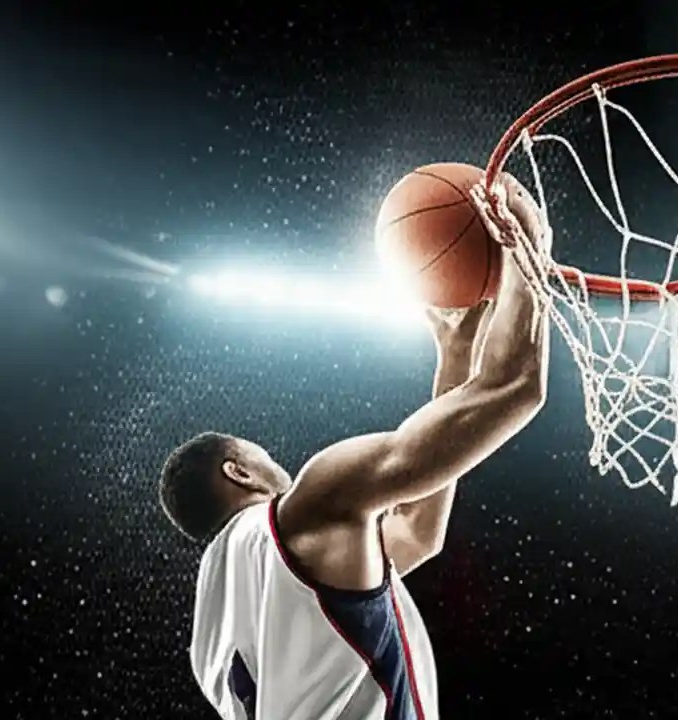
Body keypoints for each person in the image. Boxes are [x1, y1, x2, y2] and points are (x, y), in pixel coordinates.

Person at [158, 176, 550, 720]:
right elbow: (513, 388)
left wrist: (455, 355)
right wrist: (526, 244)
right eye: (261, 453)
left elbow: (417, 533)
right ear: (239, 471)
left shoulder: (215, 630)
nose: (277, 461)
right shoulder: (313, 503)